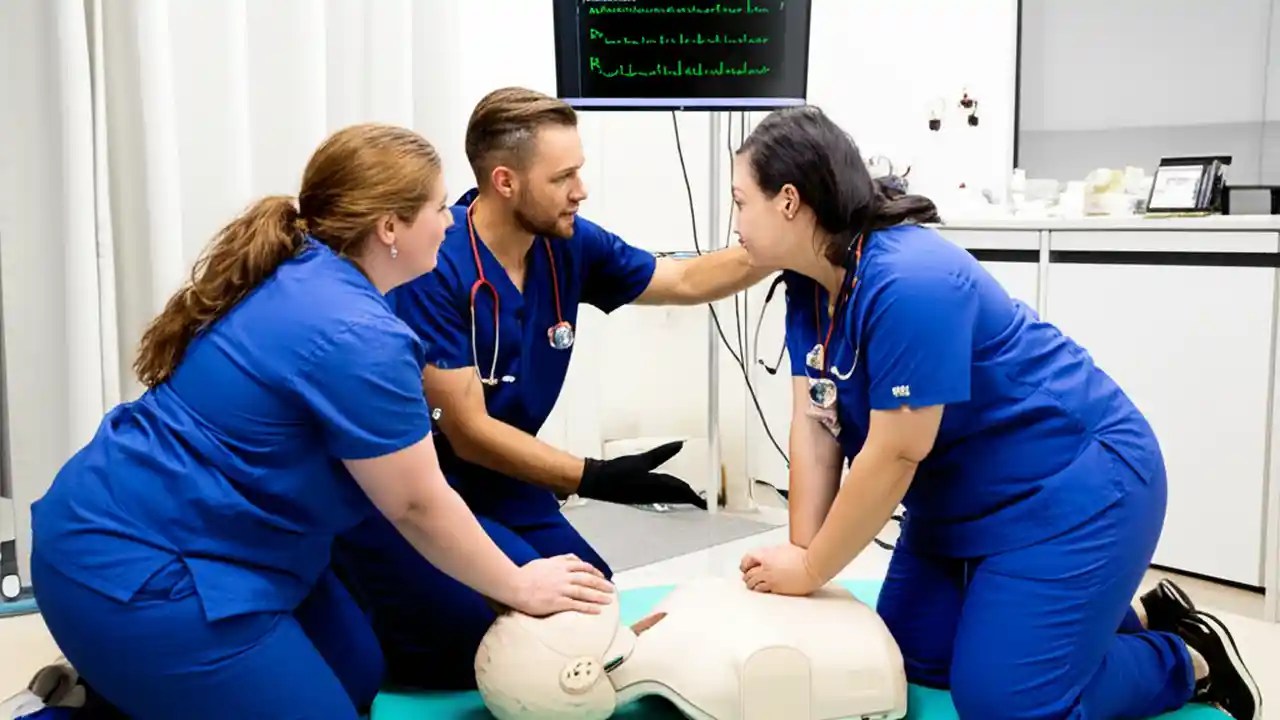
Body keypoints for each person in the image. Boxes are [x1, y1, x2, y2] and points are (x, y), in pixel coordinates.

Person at [27, 123, 615, 720]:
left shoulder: (307, 266)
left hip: (221, 535)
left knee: (357, 670)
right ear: (389, 228)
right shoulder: (360, 333)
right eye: (439, 208)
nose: (449, 221)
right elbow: (414, 505)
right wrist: (519, 585)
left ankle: (126, 688)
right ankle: (87, 702)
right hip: (140, 566)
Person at [732, 106, 1262, 720]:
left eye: (742, 202)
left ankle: (1184, 657)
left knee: (1004, 701)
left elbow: (895, 451)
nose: (736, 221)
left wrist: (812, 566)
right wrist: (802, 558)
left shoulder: (910, 281)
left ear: (790, 202)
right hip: (959, 501)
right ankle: (1132, 615)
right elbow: (815, 425)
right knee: (909, 656)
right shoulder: (807, 285)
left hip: (1074, 490)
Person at [332, 87, 772, 690]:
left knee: (588, 602)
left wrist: (780, 244)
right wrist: (594, 476)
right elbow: (467, 432)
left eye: (580, 172)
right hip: (423, 486)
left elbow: (686, 277)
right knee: (473, 645)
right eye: (563, 176)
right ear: (506, 181)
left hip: (508, 488)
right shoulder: (435, 264)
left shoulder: (568, 244)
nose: (581, 190)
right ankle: (355, 595)